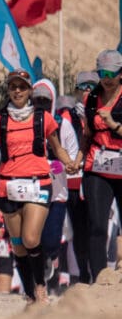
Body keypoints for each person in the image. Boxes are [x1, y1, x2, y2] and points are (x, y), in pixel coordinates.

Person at [0, 70, 76, 304]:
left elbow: (57, 147)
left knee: (30, 238)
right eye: (13, 87)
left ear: (29, 91)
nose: (17, 91)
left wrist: (68, 162)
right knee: (18, 246)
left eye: (22, 87)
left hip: (38, 183)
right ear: (8, 90)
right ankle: (30, 294)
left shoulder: (43, 118)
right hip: (8, 186)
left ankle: (40, 286)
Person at [33, 79, 81, 295]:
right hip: (33, 191)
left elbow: (73, 155)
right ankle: (36, 282)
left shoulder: (63, 125)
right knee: (32, 238)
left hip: (57, 191)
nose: (41, 104)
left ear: (52, 101)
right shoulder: (26, 122)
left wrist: (59, 164)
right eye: (37, 100)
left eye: (45, 100)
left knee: (52, 240)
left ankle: (50, 259)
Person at [79, 50, 122, 283]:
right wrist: (78, 158)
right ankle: (99, 278)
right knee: (96, 224)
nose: (107, 78)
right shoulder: (91, 98)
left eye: (112, 73)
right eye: (102, 73)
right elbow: (87, 134)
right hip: (97, 166)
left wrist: (114, 124)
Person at [60, 71, 95, 284]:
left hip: (100, 177)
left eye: (92, 86)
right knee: (79, 230)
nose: (88, 90)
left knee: (99, 228)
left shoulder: (105, 114)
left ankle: (100, 272)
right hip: (74, 179)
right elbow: (61, 147)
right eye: (84, 87)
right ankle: (83, 274)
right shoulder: (67, 117)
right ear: (77, 91)